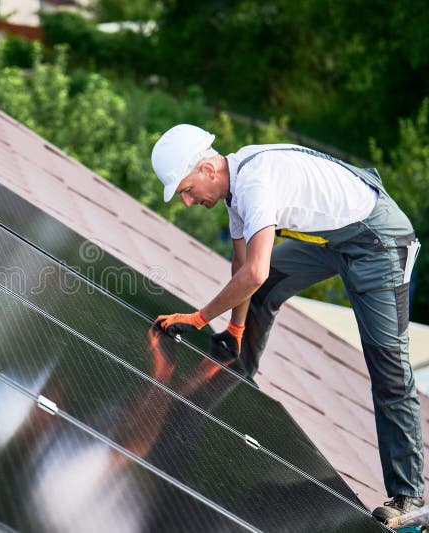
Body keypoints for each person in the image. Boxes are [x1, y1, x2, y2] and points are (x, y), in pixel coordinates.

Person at [150, 124, 423, 523]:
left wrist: (199, 317)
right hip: (333, 240)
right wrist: (234, 330)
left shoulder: (255, 183)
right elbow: (243, 266)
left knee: (389, 370)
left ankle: (409, 499)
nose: (189, 201)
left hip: (377, 243)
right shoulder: (236, 183)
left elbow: (254, 271)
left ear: (208, 169)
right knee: (262, 289)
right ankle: (237, 368)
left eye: (187, 190)